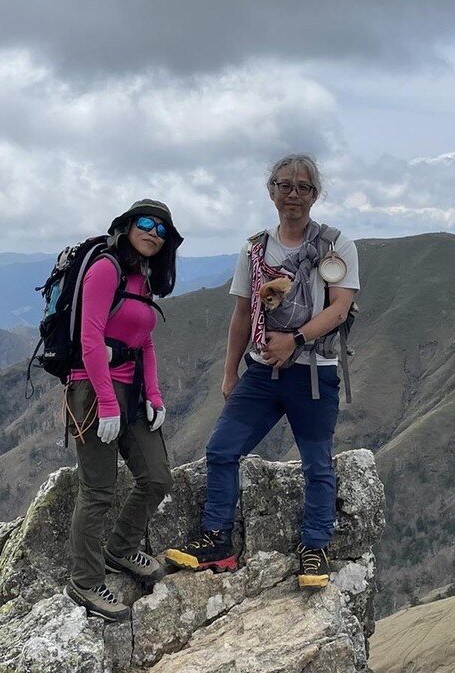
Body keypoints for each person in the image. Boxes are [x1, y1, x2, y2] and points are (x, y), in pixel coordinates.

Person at [165, 155, 359, 588]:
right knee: (221, 449)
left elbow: (340, 308)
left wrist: (296, 340)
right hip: (261, 371)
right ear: (271, 190)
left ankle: (315, 548)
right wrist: (229, 371)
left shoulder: (336, 245)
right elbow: (240, 313)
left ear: (315, 194)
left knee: (317, 464)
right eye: (285, 185)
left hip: (312, 370)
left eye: (303, 187)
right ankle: (218, 542)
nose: (293, 195)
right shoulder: (255, 248)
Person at [64, 200, 183, 623]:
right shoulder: (107, 268)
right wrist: (108, 401)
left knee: (156, 477)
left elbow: (144, 341)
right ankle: (85, 579)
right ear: (129, 225)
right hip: (93, 389)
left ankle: (120, 547)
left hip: (131, 390)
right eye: (146, 224)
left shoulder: (142, 278)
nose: (153, 233)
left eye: (162, 230)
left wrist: (154, 395)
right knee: (97, 489)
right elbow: (90, 339)